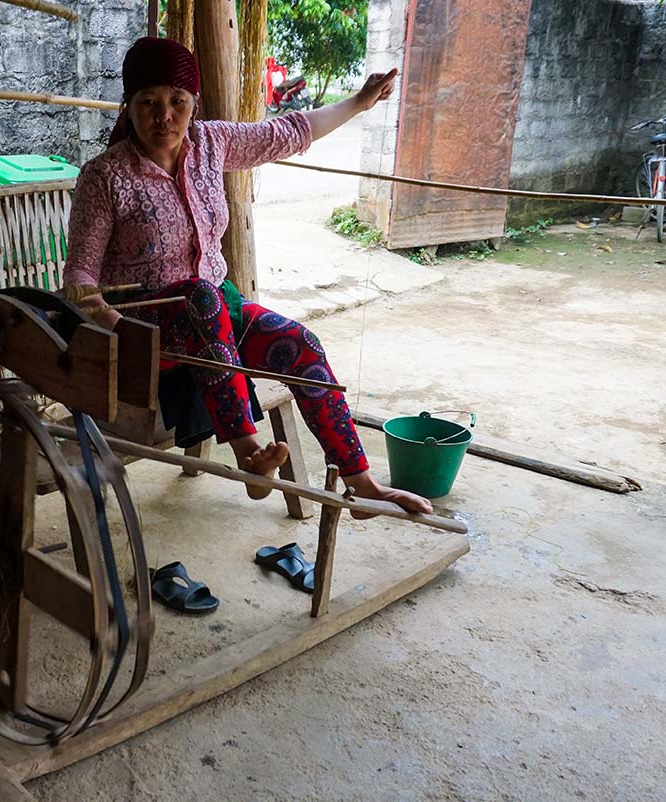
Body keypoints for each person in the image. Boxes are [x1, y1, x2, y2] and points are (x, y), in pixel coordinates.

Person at [63, 37, 432, 518]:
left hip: (216, 314)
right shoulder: (105, 176)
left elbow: (291, 130)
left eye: (178, 102)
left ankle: (361, 482)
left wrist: (360, 103)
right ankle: (249, 455)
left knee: (299, 343)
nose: (164, 117)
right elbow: (79, 276)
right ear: (128, 106)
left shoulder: (212, 144)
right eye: (148, 103)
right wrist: (119, 328)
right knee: (201, 297)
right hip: (149, 333)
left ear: (194, 104)